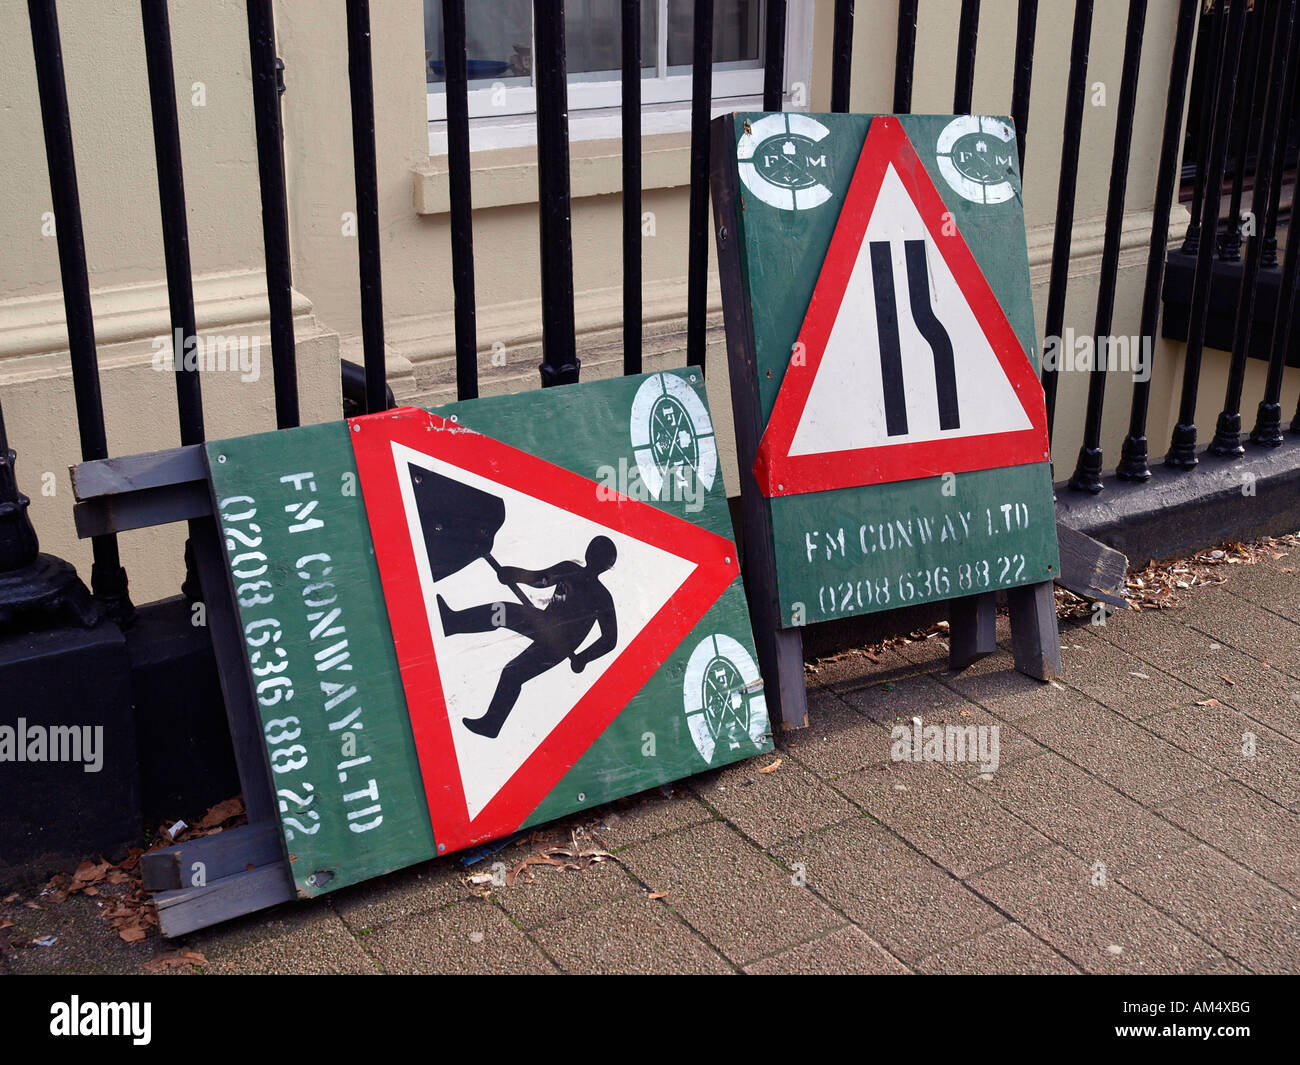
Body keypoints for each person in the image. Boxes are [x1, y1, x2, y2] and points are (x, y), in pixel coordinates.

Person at [437, 536, 619, 739]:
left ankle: (453, 622)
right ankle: (492, 724)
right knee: (512, 673)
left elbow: (541, 579)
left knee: (504, 613)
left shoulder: (578, 575)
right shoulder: (602, 594)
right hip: (559, 646)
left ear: (589, 553)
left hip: (549, 628)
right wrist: (582, 658)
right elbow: (609, 640)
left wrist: (514, 574)